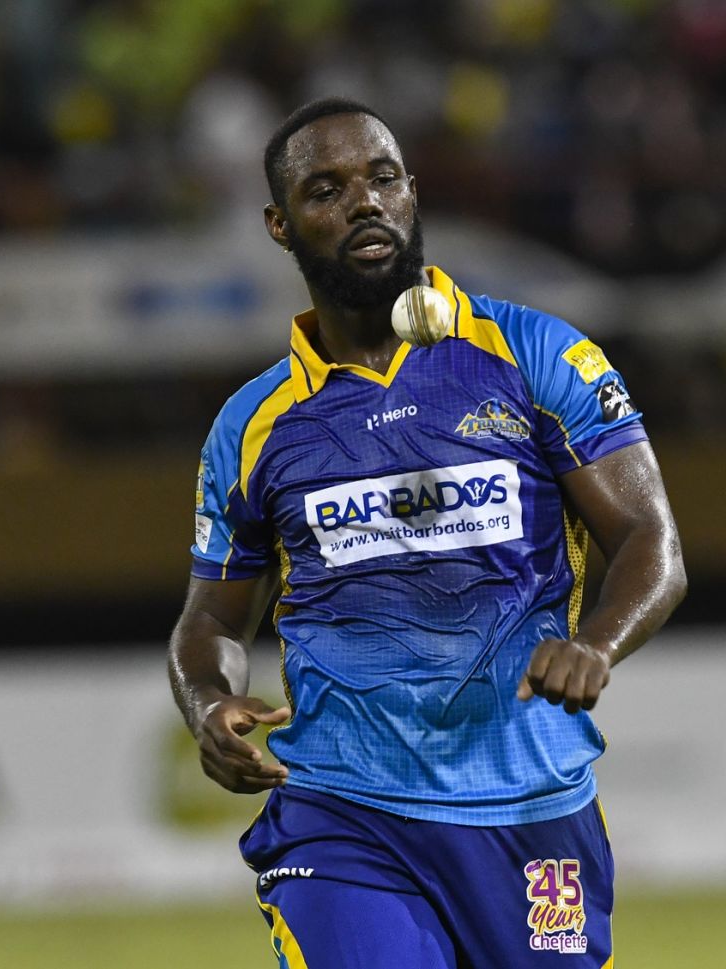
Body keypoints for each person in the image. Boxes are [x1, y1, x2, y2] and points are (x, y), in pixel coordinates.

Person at [167, 96, 686, 969]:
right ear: (279, 225)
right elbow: (213, 621)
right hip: (343, 812)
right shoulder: (253, 425)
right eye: (326, 190)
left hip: (528, 806)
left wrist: (596, 643)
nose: (363, 202)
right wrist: (209, 705)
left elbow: (651, 542)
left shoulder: (535, 355)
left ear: (412, 191)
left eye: (382, 178)